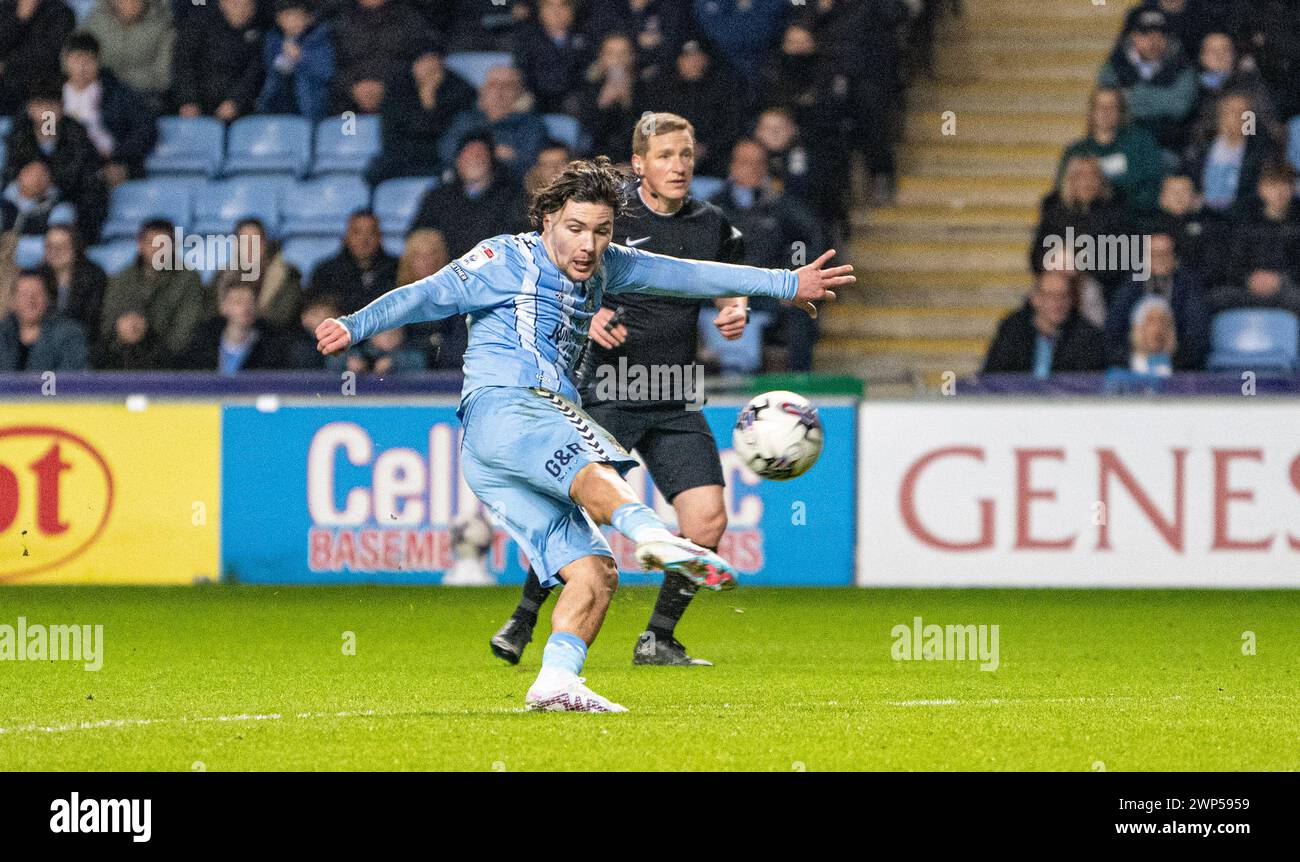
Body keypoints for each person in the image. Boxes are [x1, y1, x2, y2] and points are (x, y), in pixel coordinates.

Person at [314, 156, 850, 711]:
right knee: (590, 455)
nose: (588, 246)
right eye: (575, 229)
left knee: (595, 574)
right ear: (546, 218)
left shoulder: (608, 264)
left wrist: (786, 282)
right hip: (510, 406)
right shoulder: (503, 258)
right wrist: (354, 325)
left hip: (499, 451)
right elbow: (423, 295)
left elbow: (688, 274)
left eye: (601, 231)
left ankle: (556, 682)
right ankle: (652, 531)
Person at [491, 113, 748, 668]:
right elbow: (557, 272)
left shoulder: (713, 224)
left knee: (706, 520)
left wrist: (734, 308)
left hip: (675, 393)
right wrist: (592, 313)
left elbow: (727, 282)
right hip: (606, 389)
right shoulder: (610, 219)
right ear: (639, 164)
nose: (677, 166)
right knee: (573, 507)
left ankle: (658, 638)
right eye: (664, 156)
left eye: (685, 154)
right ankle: (525, 616)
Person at [1056, 88, 1164, 214]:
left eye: (1111, 106)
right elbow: (1063, 190)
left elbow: (1154, 185)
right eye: (1100, 106)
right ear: (1091, 112)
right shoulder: (1076, 150)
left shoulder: (1140, 143)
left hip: (1133, 219)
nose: (1105, 112)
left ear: (1120, 112)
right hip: (1085, 219)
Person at [982, 270, 1106, 376]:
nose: (1057, 303)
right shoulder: (1013, 329)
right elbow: (993, 375)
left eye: (1063, 296)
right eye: (1050, 296)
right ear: (1035, 299)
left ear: (1071, 300)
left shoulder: (1086, 336)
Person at [255, 0, 334, 120]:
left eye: (298, 16)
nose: (292, 21)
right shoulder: (272, 40)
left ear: (308, 18)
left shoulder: (319, 39)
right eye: (287, 16)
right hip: (275, 108)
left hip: (309, 110)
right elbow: (267, 74)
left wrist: (302, 57)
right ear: (278, 19)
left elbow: (327, 71)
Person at [307, 209, 396, 312]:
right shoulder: (326, 271)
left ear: (380, 237)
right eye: (357, 232)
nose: (364, 239)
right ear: (346, 236)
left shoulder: (397, 269)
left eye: (371, 232)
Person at [0, 268, 88, 371]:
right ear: (12, 301)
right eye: (24, 294)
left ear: (47, 299)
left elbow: (72, 379)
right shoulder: (2, 334)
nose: (31, 300)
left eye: (37, 293)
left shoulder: (70, 334)